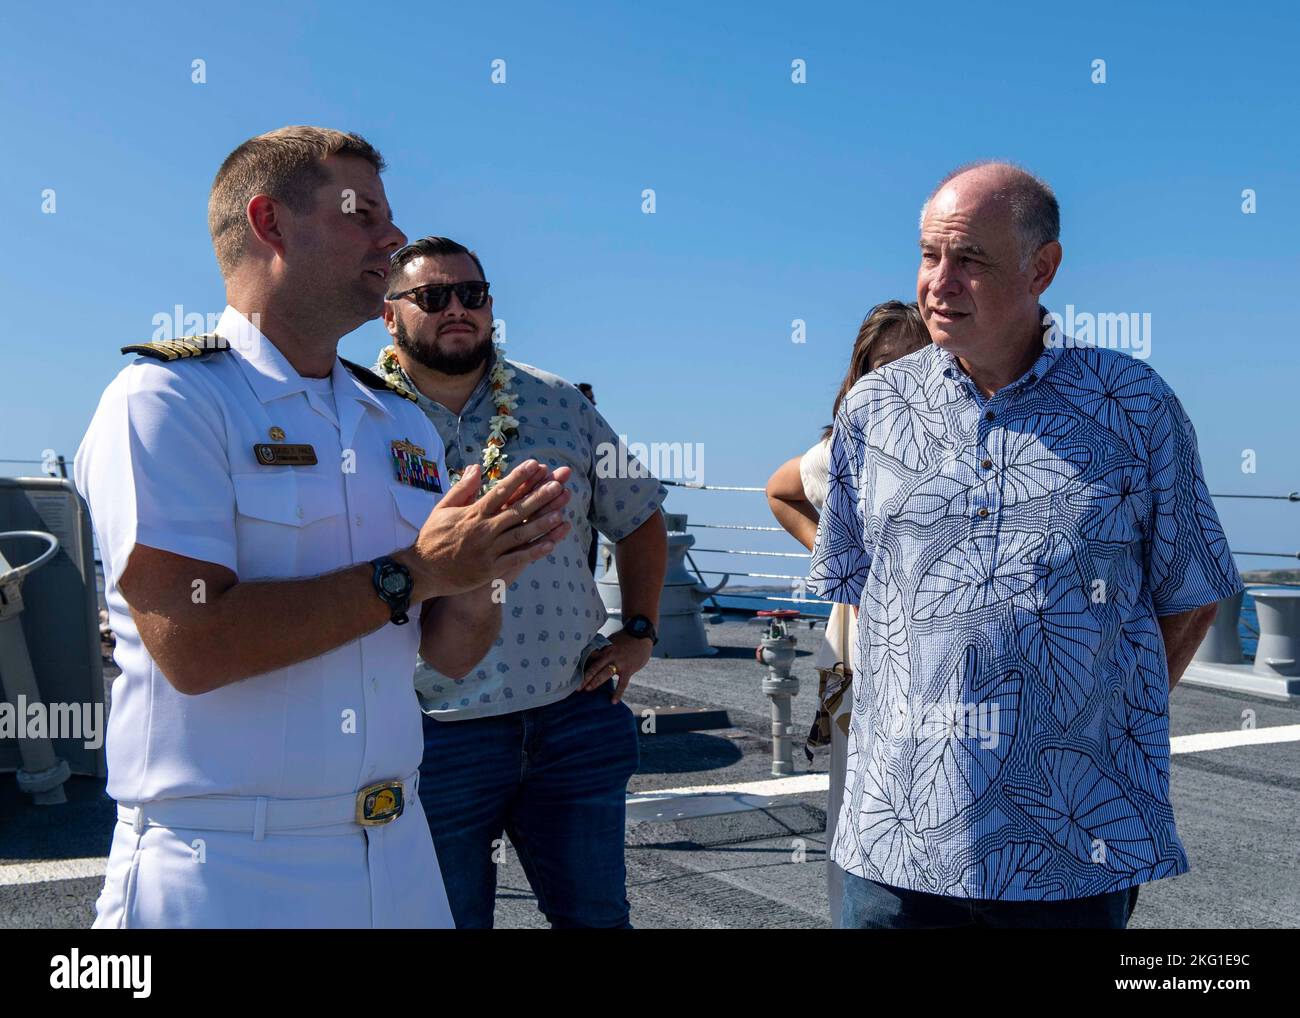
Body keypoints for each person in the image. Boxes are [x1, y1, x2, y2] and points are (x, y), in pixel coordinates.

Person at [75, 127, 571, 929]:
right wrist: (415, 569)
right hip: (227, 868)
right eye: (363, 212)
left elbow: (447, 654)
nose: (395, 237)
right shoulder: (166, 402)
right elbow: (193, 648)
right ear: (271, 223)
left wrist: (478, 569)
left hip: (400, 850)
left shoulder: (396, 425)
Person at [809, 161, 1243, 929]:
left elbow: (1194, 588)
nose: (938, 282)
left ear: (1042, 269)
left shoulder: (1135, 405)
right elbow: (857, 585)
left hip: (1069, 852)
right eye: (928, 254)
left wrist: (1094, 712)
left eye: (970, 260)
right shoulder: (874, 410)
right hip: (893, 845)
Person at [375, 236, 668, 928]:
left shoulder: (559, 404)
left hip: (568, 717)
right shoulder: (359, 416)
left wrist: (639, 634)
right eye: (432, 296)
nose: (457, 309)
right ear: (389, 317)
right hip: (427, 730)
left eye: (471, 295)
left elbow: (640, 516)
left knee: (596, 919)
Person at [765, 300, 930, 927]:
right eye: (880, 364)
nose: (898, 375)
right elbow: (780, 489)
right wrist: (843, 562)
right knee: (860, 795)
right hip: (868, 658)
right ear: (858, 374)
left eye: (917, 359)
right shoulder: (845, 451)